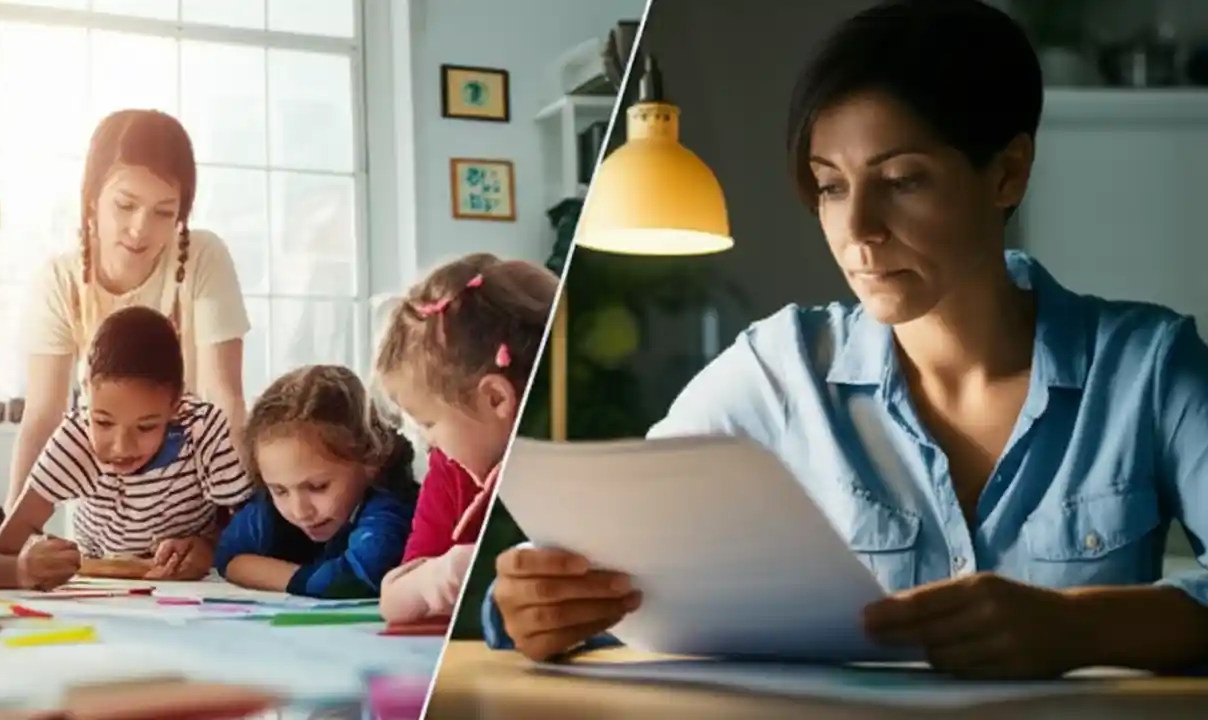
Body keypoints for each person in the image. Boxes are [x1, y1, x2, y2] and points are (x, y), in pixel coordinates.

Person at [486, 0, 1208, 678]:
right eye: (831, 185)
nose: (857, 228)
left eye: (901, 180)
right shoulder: (777, 372)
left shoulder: (1149, 368)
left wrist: (1078, 627)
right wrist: (530, 603)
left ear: (1007, 174)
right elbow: (597, 560)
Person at [6, 109, 250, 514]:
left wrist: (240, 521)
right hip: (104, 506)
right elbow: (43, 417)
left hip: (192, 500)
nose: (140, 228)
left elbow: (224, 396)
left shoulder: (203, 257)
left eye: (163, 212)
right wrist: (15, 531)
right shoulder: (60, 280)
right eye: (125, 205)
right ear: (92, 200)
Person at [0, 306, 255, 590]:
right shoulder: (75, 441)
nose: (121, 447)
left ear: (176, 404)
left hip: (191, 592)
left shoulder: (202, 430)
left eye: (145, 427)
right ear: (87, 392)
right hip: (101, 585)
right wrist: (22, 570)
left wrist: (208, 548)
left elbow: (254, 533)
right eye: (103, 422)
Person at [375, 254, 557, 623]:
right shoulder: (450, 470)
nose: (429, 442)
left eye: (429, 423)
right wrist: (436, 576)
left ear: (496, 399)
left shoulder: (575, 465)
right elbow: (392, 598)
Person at [213, 365, 417, 598]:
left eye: (318, 487)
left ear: (370, 460)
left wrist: (280, 576)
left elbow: (354, 579)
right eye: (279, 491)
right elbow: (228, 555)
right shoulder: (272, 505)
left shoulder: (390, 506)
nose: (300, 511)